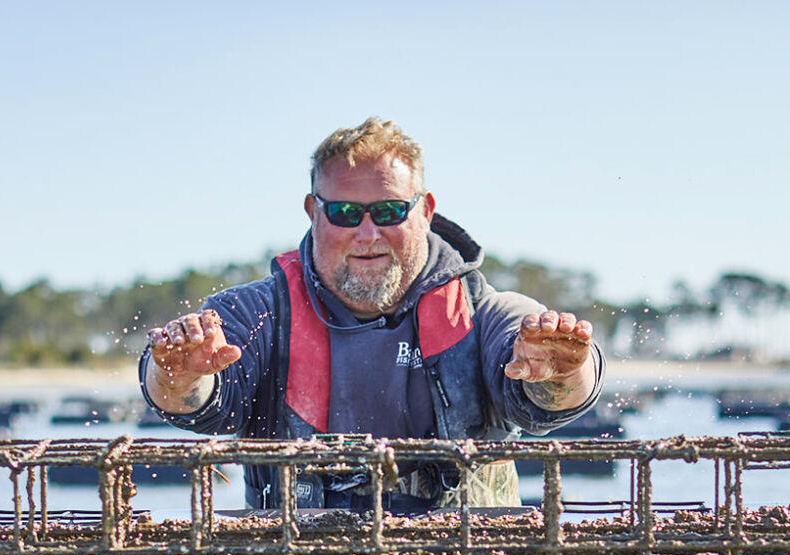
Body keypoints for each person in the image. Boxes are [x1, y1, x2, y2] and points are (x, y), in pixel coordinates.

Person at [140, 117, 603, 511]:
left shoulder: (485, 312)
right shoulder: (257, 314)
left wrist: (560, 372)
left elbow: (551, 400)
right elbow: (196, 402)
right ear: (313, 212)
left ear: (425, 211)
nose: (367, 233)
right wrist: (179, 377)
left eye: (388, 211)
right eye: (344, 212)